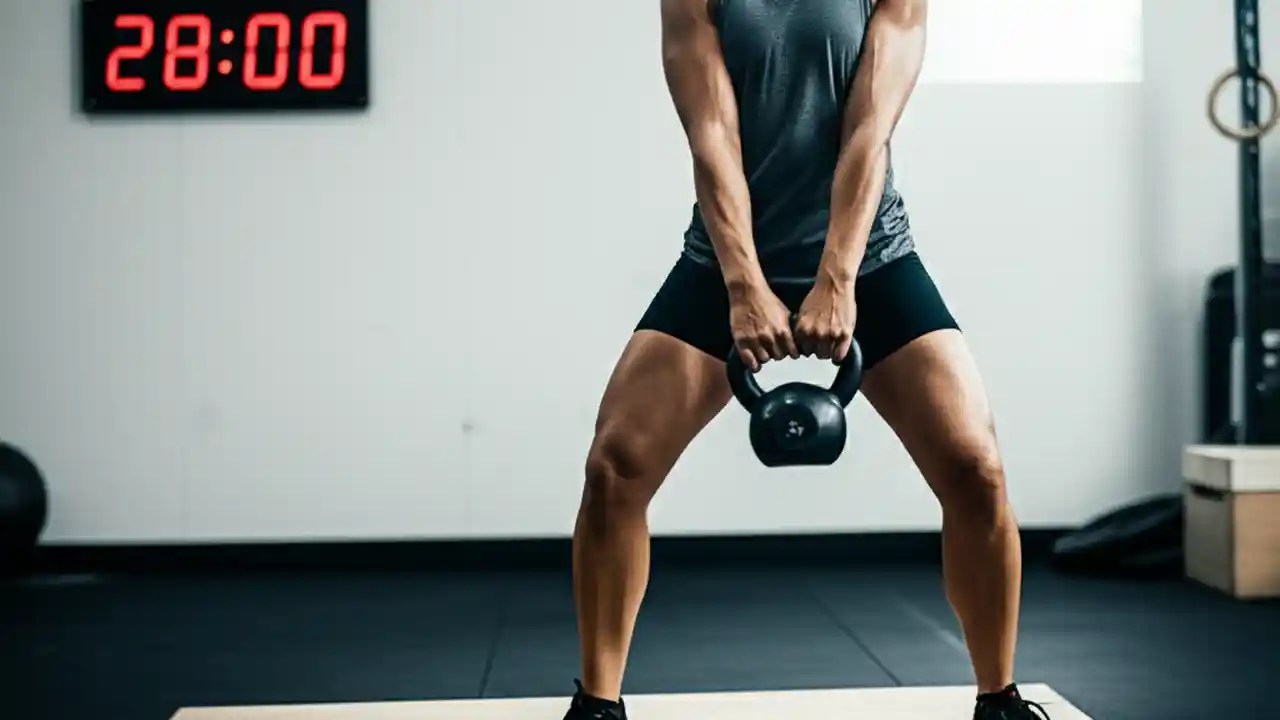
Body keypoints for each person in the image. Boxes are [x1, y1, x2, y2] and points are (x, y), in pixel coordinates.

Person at [564, 1, 1047, 719]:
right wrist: (743, 285)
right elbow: (712, 134)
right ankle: (598, 705)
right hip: (726, 258)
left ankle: (998, 699)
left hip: (870, 256)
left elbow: (869, 131)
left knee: (976, 468)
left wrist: (838, 278)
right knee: (615, 467)